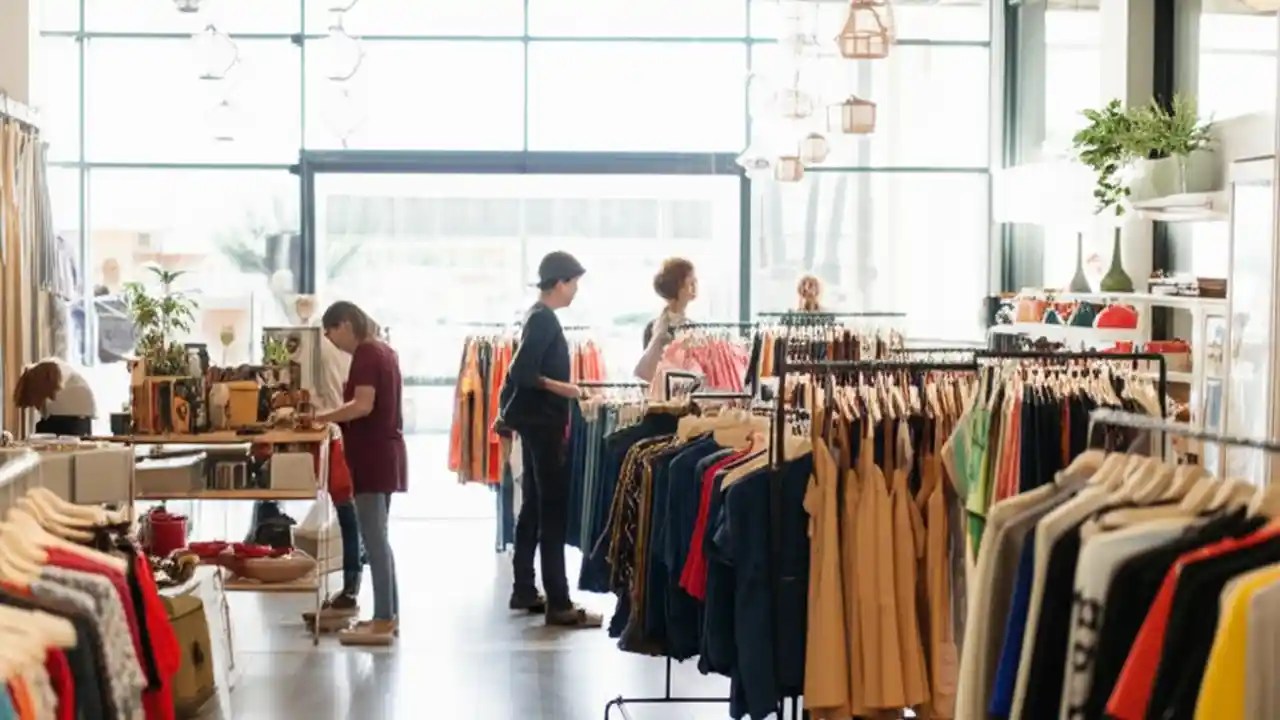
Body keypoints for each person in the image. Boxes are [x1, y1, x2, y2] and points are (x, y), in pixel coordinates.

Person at [497, 251, 601, 628]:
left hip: (534, 424)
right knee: (551, 511)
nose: (575, 291)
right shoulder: (544, 320)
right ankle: (559, 601)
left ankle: (524, 586)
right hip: (544, 425)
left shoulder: (534, 317)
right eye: (573, 283)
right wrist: (566, 389)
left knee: (536, 507)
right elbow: (524, 372)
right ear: (560, 282)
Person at [316, 301, 406, 646]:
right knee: (379, 537)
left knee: (374, 538)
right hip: (385, 454)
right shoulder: (384, 351)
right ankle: (388, 612)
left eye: (331, 332)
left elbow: (363, 405)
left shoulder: (367, 355)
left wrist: (323, 418)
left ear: (344, 324)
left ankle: (382, 618)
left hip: (372, 456)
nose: (332, 340)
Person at [299, 323, 364, 628]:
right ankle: (350, 586)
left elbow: (329, 396)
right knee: (349, 513)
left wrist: (318, 415)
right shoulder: (343, 352)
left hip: (333, 436)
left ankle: (350, 589)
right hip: (340, 435)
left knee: (347, 512)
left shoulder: (321, 347)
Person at [633, 257, 697, 382]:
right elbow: (648, 375)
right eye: (691, 281)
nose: (695, 284)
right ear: (679, 286)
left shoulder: (693, 328)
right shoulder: (655, 329)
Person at [13, 358, 96, 436]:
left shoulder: (43, 375)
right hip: (81, 419)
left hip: (66, 422)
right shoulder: (50, 371)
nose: (35, 407)